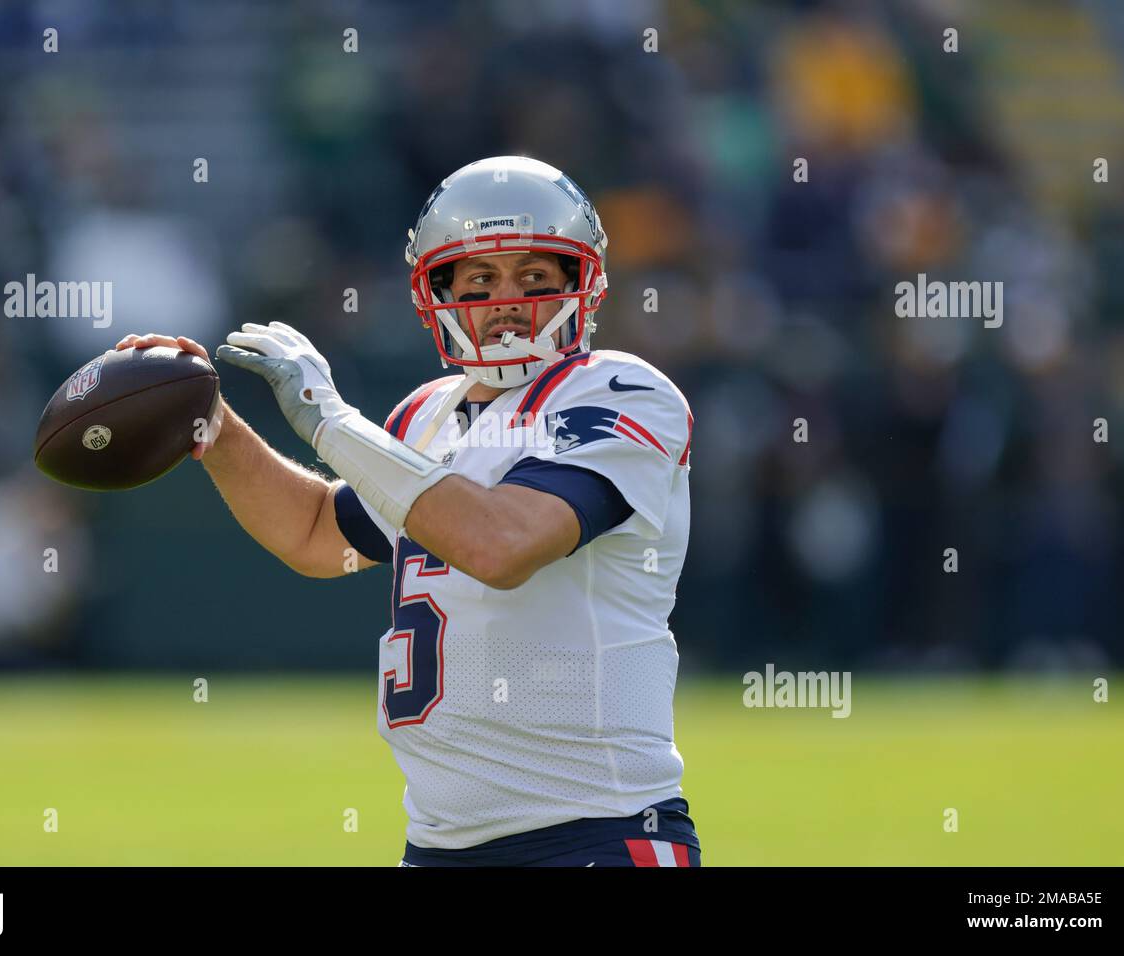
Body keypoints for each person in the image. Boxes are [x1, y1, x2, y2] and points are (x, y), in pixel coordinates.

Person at [116, 156, 700, 867]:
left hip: (597, 831)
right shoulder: (425, 416)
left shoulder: (620, 391)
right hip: (438, 845)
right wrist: (214, 425)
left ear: (583, 281)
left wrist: (331, 423)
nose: (506, 300)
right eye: (479, 280)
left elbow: (500, 546)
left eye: (534, 278)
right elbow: (315, 533)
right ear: (438, 291)